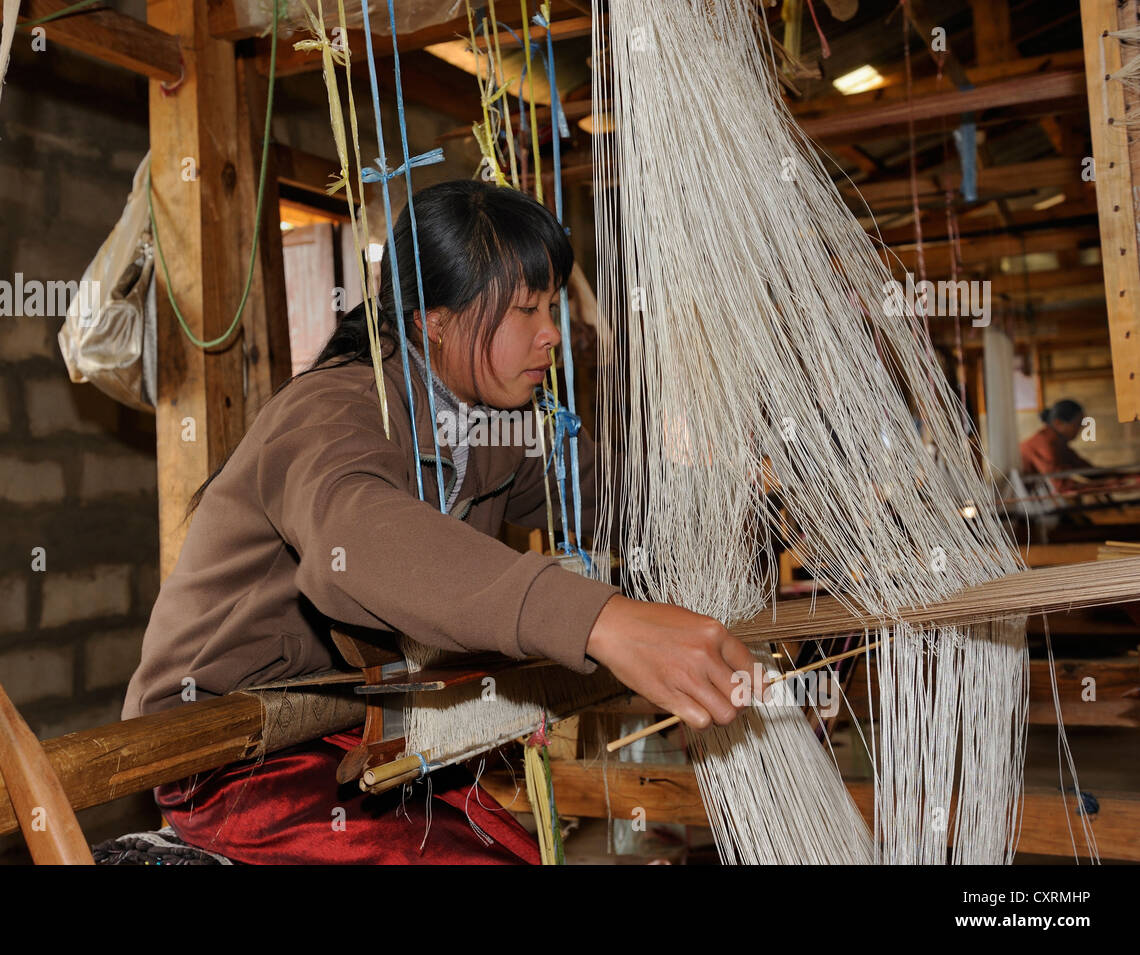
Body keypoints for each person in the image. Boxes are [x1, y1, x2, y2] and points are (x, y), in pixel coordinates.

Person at [122, 179, 754, 864]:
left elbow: (605, 492)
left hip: (351, 727)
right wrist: (602, 619)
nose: (553, 334)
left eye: (554, 306)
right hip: (229, 746)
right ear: (435, 320)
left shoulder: (493, 424)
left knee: (514, 850)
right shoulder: (332, 412)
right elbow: (361, 538)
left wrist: (739, 502)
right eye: (526, 310)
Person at [1020, 399, 1094, 492]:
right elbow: (1062, 486)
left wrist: (1112, 476)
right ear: (1058, 423)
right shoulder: (1045, 444)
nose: (1080, 428)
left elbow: (1083, 467)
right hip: (1028, 503)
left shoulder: (1058, 442)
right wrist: (1103, 485)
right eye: (1077, 423)